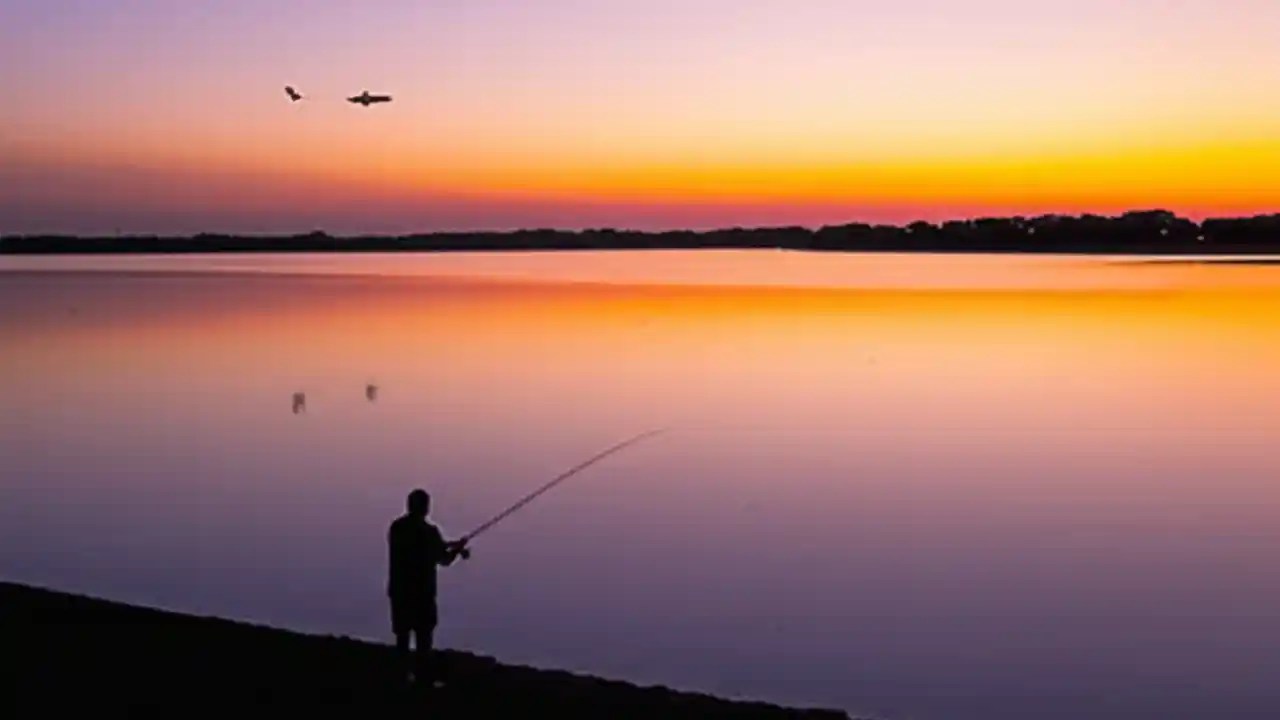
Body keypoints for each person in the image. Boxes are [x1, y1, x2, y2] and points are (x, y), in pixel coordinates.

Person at [387, 489, 469, 687]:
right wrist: (457, 551)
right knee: (424, 639)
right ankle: (422, 680)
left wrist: (452, 545)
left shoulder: (397, 528)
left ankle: (401, 678)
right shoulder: (430, 532)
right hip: (423, 594)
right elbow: (444, 559)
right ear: (426, 508)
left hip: (399, 591)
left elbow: (432, 548)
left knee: (402, 637)